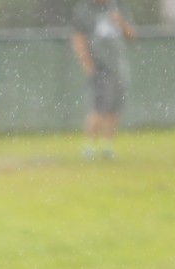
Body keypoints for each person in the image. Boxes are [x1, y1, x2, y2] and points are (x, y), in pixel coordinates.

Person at [71, 0, 135, 160]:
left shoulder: (117, 6)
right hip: (99, 67)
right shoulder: (84, 10)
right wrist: (87, 65)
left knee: (114, 107)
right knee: (98, 108)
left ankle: (107, 146)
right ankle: (89, 146)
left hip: (118, 67)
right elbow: (78, 39)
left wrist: (119, 21)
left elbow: (131, 35)